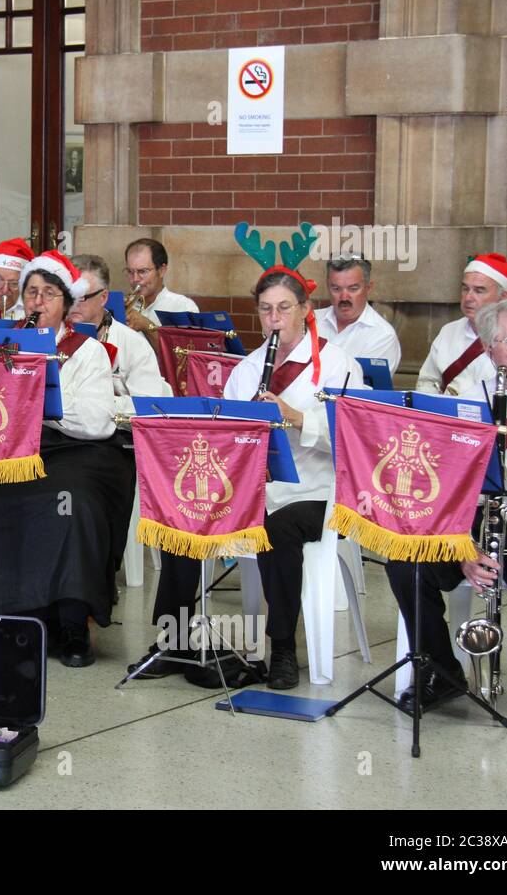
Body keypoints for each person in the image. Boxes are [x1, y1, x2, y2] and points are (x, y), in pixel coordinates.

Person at [130, 267, 363, 690]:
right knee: (187, 517)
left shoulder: (336, 364)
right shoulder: (248, 368)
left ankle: (283, 648)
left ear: (305, 310)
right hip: (255, 489)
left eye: (284, 309)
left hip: (316, 492)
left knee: (278, 529)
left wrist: (294, 419)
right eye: (266, 309)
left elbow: (354, 440)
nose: (275, 319)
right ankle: (174, 640)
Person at [0, 251, 134, 668]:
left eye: (48, 294)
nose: (37, 302)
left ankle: (70, 620)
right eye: (31, 292)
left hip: (67, 447)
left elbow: (99, 422)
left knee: (73, 501)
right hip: (4, 445)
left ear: (66, 304)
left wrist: (40, 405)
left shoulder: (88, 351)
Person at [385, 298, 507, 733]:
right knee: (406, 561)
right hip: (465, 517)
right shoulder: (464, 402)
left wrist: (493, 467)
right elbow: (440, 480)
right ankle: (442, 673)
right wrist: (462, 546)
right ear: (489, 348)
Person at [416, 253, 507, 395]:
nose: (468, 297)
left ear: (503, 297)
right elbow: (427, 380)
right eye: (465, 289)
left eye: (479, 290)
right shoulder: (448, 331)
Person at [68, 254, 171, 411]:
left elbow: (149, 405)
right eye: (69, 296)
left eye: (81, 297)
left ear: (103, 297)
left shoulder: (134, 345)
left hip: (119, 432)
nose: (73, 304)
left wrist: (97, 405)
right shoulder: (53, 335)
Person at [313, 253, 402, 375]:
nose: (344, 297)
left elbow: (365, 389)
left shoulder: (383, 336)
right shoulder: (310, 321)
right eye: (336, 289)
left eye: (353, 289)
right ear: (328, 287)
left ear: (368, 287)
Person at [123, 237, 199, 333]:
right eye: (130, 272)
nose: (135, 279)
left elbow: (184, 347)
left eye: (142, 271)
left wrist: (146, 325)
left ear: (161, 271)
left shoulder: (183, 307)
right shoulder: (122, 307)